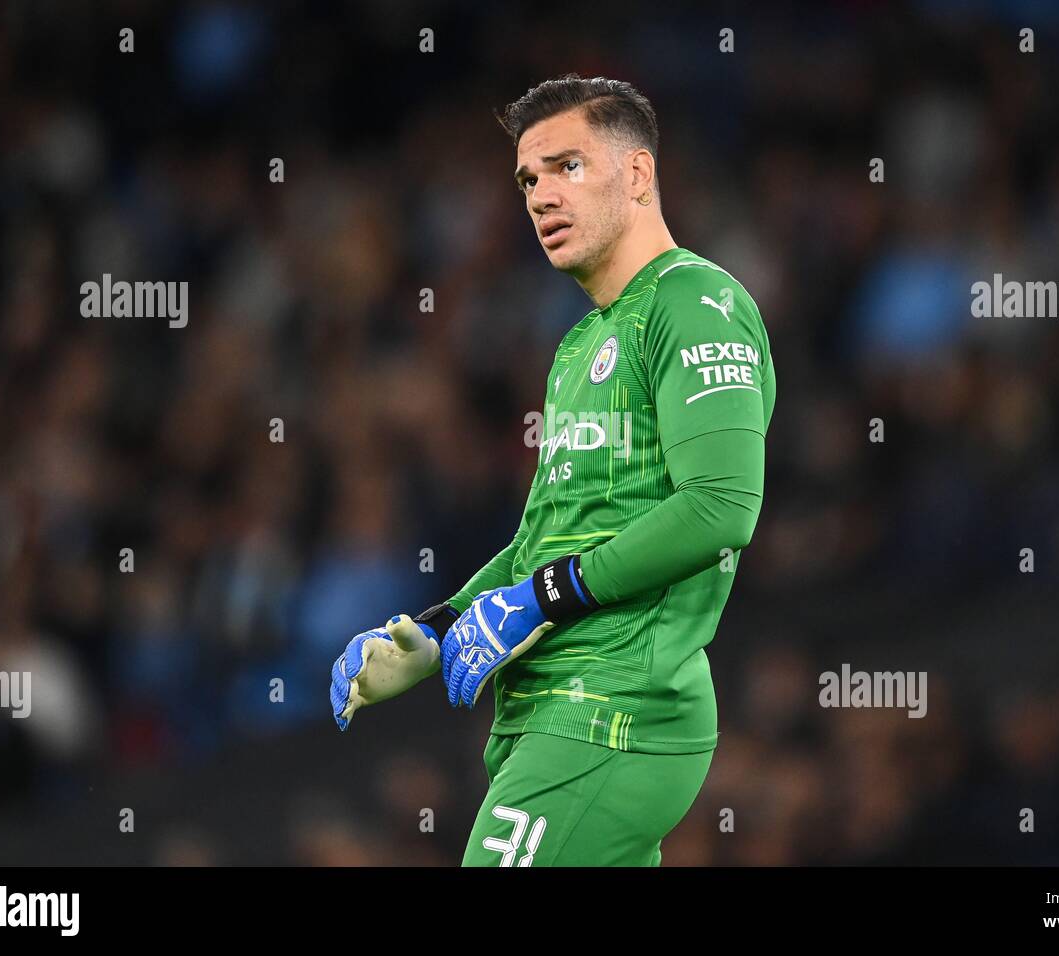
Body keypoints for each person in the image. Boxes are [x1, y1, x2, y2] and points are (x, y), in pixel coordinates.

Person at [331, 74, 775, 866]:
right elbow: (548, 539)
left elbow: (720, 506)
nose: (539, 194)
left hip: (613, 712)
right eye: (527, 178)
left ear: (637, 174)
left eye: (566, 166)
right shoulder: (579, 346)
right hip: (544, 716)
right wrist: (436, 631)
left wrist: (540, 597)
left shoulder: (696, 301)